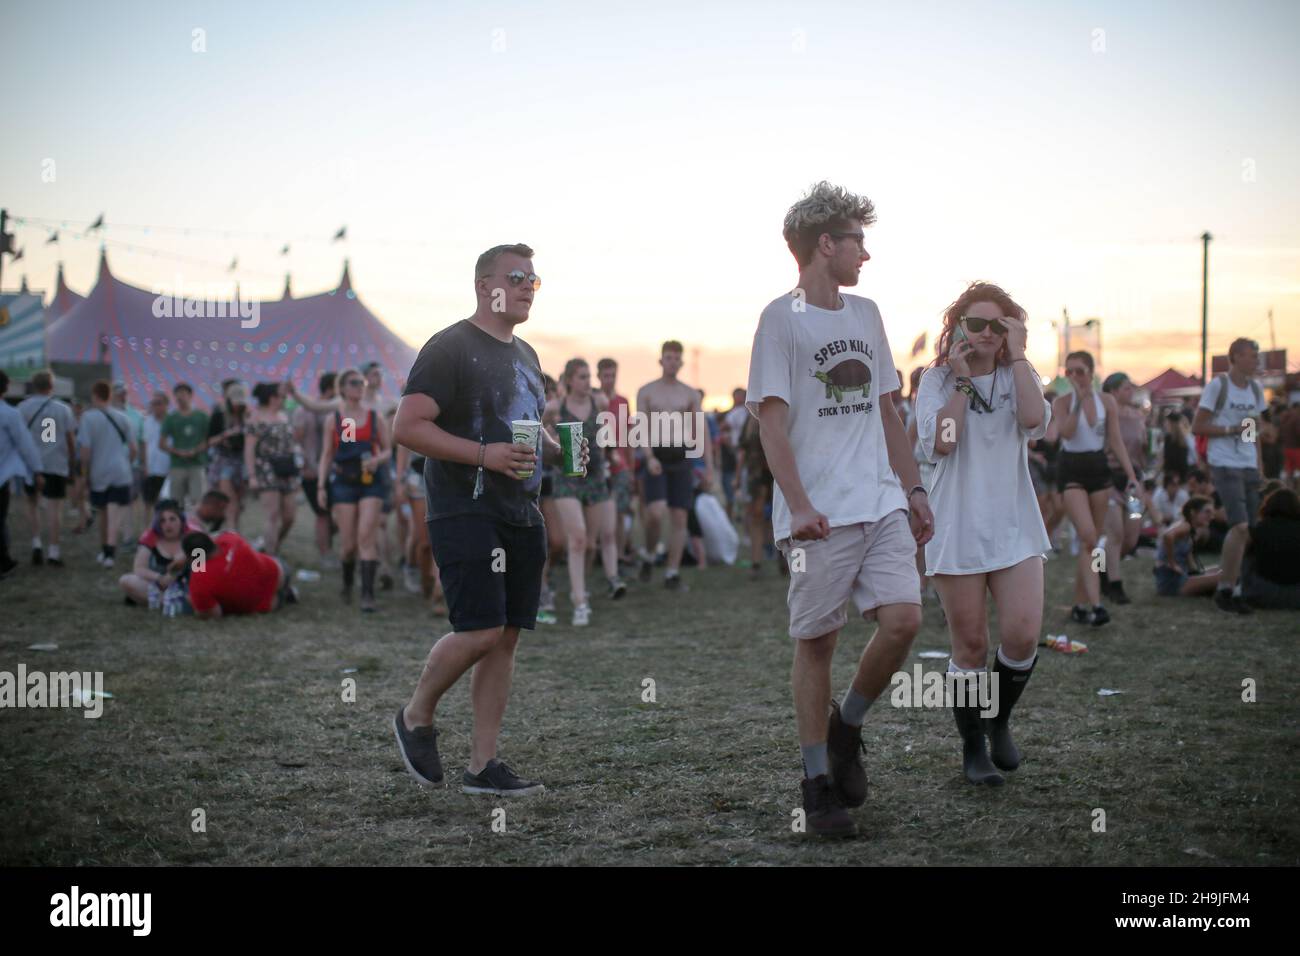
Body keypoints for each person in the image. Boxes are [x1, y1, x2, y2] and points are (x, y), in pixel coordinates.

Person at [746, 182, 933, 837]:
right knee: (817, 642)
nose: (866, 253)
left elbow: (886, 410)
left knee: (905, 619)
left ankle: (847, 725)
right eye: (857, 240)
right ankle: (816, 784)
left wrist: (913, 490)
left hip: (879, 499)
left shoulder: (867, 313)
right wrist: (798, 506)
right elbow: (772, 424)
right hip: (816, 512)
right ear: (824, 244)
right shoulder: (780, 319)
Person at [392, 241, 587, 799]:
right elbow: (406, 427)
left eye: (535, 279)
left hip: (522, 511)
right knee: (477, 630)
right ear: (485, 285)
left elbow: (527, 429)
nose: (529, 286)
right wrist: (484, 455)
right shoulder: (449, 346)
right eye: (518, 276)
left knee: (504, 638)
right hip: (465, 506)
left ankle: (484, 765)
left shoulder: (526, 354)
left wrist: (560, 449)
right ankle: (415, 715)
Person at [917, 282, 1050, 786]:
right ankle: (973, 747)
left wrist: (1017, 358)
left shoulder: (1023, 375)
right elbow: (943, 443)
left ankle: (999, 721)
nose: (988, 333)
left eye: (1000, 325)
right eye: (977, 324)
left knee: (1021, 637)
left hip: (1015, 523)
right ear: (957, 329)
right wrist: (962, 381)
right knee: (970, 646)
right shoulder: (935, 381)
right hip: (957, 525)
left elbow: (1035, 421)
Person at [1051, 351, 1138, 626]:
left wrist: (1131, 474)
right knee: (1088, 537)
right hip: (1071, 468)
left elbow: (1115, 440)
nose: (1074, 377)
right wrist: (1078, 400)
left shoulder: (1107, 401)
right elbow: (1065, 433)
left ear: (1091, 373)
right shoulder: (1063, 402)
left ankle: (1079, 604)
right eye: (1070, 372)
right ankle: (1098, 605)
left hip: (1099, 468)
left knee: (1093, 542)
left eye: (1080, 371)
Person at [545, 358, 624, 626]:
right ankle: (580, 602)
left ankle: (581, 586)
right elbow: (541, 431)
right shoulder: (555, 407)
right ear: (568, 380)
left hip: (595, 476)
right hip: (566, 477)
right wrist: (553, 442)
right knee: (577, 538)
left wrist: (610, 454)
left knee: (590, 543)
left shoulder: (599, 403)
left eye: (588, 376)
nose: (587, 381)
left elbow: (606, 434)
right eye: (581, 376)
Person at [636, 341, 714, 589]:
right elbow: (642, 428)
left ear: (681, 362)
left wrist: (709, 467)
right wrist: (649, 457)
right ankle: (649, 555)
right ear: (661, 361)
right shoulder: (647, 391)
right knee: (655, 513)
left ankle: (672, 573)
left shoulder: (689, 394)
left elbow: (701, 431)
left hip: (681, 457)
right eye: (668, 357)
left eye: (676, 358)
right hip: (656, 456)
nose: (672, 362)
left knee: (680, 518)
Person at [318, 368, 391, 612]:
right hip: (344, 482)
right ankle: (348, 583)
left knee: (365, 537)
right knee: (348, 544)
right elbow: (327, 455)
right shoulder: (334, 418)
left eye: (361, 382)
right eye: (354, 383)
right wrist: (321, 486)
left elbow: (388, 450)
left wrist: (376, 460)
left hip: (371, 480)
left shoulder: (374, 416)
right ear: (343, 388)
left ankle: (367, 595)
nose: (360, 386)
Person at [1193, 337, 1265, 527]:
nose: (1257, 361)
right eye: (1253, 356)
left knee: (1252, 524)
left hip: (1248, 461)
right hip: (1224, 461)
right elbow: (1197, 427)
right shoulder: (1219, 385)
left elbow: (1253, 432)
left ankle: (1243, 557)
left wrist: (1259, 463)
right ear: (1237, 357)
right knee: (1239, 525)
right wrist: (1232, 429)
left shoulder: (1255, 389)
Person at [18, 370, 76, 567]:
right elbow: (70, 439)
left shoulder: (23, 408)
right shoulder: (63, 409)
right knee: (54, 509)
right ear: (52, 386)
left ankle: (36, 543)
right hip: (56, 464)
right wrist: (72, 461)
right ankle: (53, 551)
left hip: (31, 464)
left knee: (31, 503)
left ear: (34, 386)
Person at [1099, 372, 1147, 605]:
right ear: (1114, 391)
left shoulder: (1138, 416)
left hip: (1134, 483)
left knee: (1131, 538)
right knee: (1114, 533)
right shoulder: (1106, 416)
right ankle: (1115, 584)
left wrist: (1141, 477)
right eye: (1127, 388)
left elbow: (1142, 450)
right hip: (1110, 480)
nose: (1131, 392)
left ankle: (1102, 569)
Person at [78, 379, 137, 568]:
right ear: (110, 396)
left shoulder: (87, 418)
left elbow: (85, 451)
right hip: (121, 472)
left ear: (95, 396)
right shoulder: (123, 417)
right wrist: (126, 463)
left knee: (104, 512)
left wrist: (84, 474)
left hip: (98, 473)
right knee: (114, 513)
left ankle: (107, 551)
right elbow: (133, 448)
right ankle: (108, 551)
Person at [1214, 487, 1300, 612]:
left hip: (1260, 594)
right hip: (1297, 597)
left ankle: (1232, 590)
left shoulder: (1257, 529)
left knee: (1244, 553)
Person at [183, 529, 297, 618]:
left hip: (270, 602)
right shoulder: (230, 539)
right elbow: (219, 535)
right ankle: (286, 590)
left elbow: (213, 614)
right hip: (279, 572)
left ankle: (287, 594)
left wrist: (193, 601)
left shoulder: (199, 580)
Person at [244, 382, 299, 555]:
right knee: (272, 515)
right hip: (266, 470)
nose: (285, 399)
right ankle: (270, 556)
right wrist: (252, 475)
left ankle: (271, 545)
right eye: (282, 396)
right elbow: (250, 449)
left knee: (289, 517)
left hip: (287, 469)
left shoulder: (285, 416)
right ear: (272, 398)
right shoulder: (256, 418)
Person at [0, 370, 45, 579]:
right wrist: (37, 468)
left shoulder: (21, 408)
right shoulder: (10, 413)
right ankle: (43, 546)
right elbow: (28, 444)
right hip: (45, 462)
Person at [119, 498, 199, 612]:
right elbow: (139, 569)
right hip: (160, 587)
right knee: (126, 580)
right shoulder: (150, 538)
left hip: (190, 586)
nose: (168, 524)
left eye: (172, 519)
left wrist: (185, 561)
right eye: (162, 520)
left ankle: (174, 601)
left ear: (181, 521)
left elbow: (201, 571)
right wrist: (159, 578)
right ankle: (172, 602)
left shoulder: (194, 537)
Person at [293, 372, 337, 567]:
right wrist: (303, 465)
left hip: (334, 471)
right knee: (323, 514)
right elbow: (297, 441)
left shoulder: (339, 409)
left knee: (335, 514)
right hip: (312, 471)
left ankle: (325, 543)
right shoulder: (304, 410)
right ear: (331, 388)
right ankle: (325, 554)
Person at [596, 358, 636, 565]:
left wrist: (630, 468)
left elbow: (629, 435)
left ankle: (619, 554)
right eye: (606, 376)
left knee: (621, 511)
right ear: (599, 376)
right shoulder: (594, 400)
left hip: (620, 466)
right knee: (599, 512)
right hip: (598, 465)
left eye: (613, 375)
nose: (610, 380)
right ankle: (601, 553)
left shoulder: (623, 401)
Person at [734, 410, 776, 578]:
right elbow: (743, 449)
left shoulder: (778, 410)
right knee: (756, 516)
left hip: (777, 474)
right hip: (755, 475)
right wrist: (737, 477)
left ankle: (784, 558)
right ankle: (756, 562)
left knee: (779, 517)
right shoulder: (750, 417)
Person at [1153, 497, 1220, 597]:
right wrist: (1172, 563)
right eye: (1207, 512)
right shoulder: (1185, 526)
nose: (1211, 516)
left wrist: (1201, 574)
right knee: (1224, 575)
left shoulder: (1189, 530)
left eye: (1212, 513)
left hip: (1180, 576)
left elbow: (1191, 566)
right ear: (1193, 512)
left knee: (1221, 569)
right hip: (1172, 581)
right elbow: (1167, 536)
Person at [207, 381, 250, 531]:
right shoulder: (219, 415)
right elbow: (209, 441)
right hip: (223, 461)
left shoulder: (248, 417)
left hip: (241, 462)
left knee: (239, 502)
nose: (238, 406)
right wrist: (226, 436)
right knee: (230, 502)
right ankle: (233, 534)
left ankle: (232, 532)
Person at [159, 382, 208, 509]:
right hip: (177, 465)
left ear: (190, 396)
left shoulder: (201, 416)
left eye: (183, 395)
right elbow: (162, 443)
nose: (180, 398)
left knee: (197, 501)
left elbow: (207, 440)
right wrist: (178, 452)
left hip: (196, 464)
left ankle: (195, 527)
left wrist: (195, 450)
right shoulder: (171, 418)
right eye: (178, 395)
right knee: (176, 502)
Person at [140, 391, 171, 509]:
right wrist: (144, 464)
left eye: (158, 403)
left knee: (165, 503)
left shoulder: (172, 421)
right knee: (148, 502)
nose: (155, 406)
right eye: (153, 403)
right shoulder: (147, 422)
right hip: (151, 468)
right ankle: (148, 527)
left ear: (166, 405)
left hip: (167, 469)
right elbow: (144, 443)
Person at [1160, 409, 1195, 485]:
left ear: (1171, 423)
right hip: (1183, 476)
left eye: (1167, 422)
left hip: (1172, 478)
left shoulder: (1169, 439)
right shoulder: (1186, 438)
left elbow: (1166, 460)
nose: (1165, 424)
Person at [1280, 401, 1300, 491]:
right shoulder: (1297, 418)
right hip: (1296, 449)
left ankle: (1289, 491)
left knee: (1289, 472)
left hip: (1286, 448)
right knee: (1298, 472)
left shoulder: (1285, 418)